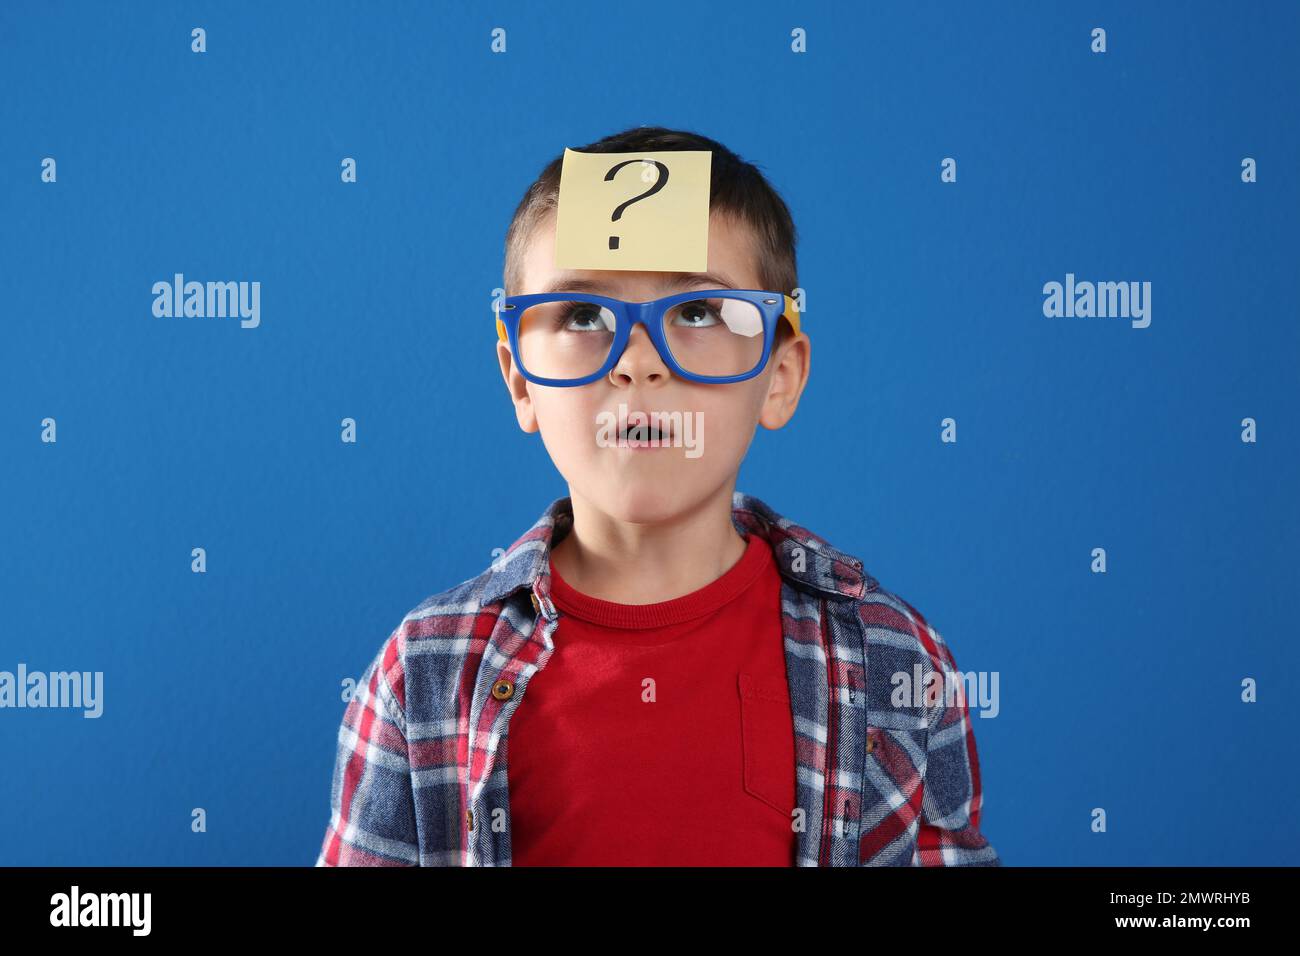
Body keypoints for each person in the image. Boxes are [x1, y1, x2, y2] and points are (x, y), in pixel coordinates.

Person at [315, 125, 999, 867]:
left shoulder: (891, 654)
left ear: (780, 375)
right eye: (583, 316)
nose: (638, 362)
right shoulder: (424, 672)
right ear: (519, 379)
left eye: (699, 313)